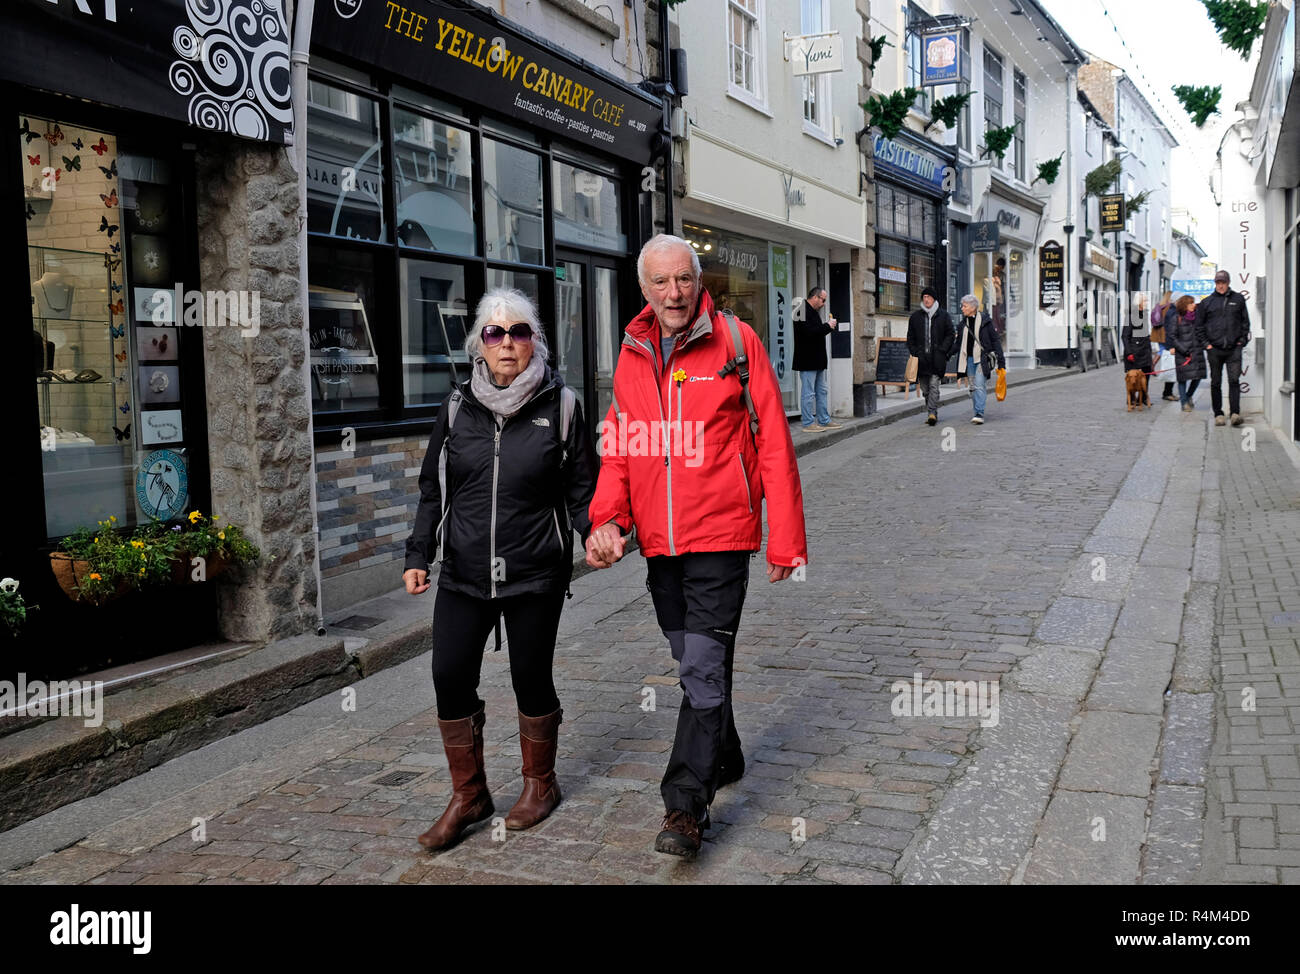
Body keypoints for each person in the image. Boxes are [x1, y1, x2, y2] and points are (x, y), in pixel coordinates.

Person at [584, 234, 808, 860]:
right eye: (661, 282)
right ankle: (725, 752)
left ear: (697, 279)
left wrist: (784, 538)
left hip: (720, 537)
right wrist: (609, 520)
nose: (674, 293)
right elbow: (622, 446)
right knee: (695, 664)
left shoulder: (736, 342)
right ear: (644, 288)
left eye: (683, 279)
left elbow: (773, 445)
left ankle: (685, 805)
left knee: (702, 669)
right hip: (661, 546)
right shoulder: (631, 353)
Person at [403, 287, 597, 851]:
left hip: (535, 570)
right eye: (495, 333)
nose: (507, 343)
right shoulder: (457, 407)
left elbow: (584, 486)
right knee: (448, 675)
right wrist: (419, 554)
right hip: (463, 570)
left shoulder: (561, 406)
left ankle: (541, 784)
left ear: (533, 340)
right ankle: (470, 795)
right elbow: (432, 489)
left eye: (518, 332)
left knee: (530, 678)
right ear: (479, 346)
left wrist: (599, 529)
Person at [1194, 269, 1252, 427]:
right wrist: (1207, 345)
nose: (1220, 286)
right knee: (1216, 382)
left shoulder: (1238, 299)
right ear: (1215, 283)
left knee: (1234, 380)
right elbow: (1199, 327)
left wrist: (1241, 342)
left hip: (1234, 349)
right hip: (1215, 350)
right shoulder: (1207, 303)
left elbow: (1245, 323)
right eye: (1218, 283)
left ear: (1228, 283)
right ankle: (1218, 414)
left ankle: (1234, 413)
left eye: (1223, 283)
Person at [792, 286, 840, 432]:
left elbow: (815, 333)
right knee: (808, 393)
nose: (824, 303)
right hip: (807, 359)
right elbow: (809, 333)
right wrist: (828, 326)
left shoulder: (812, 311)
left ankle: (824, 420)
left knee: (821, 391)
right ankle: (808, 423)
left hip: (817, 359)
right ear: (815, 297)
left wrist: (826, 327)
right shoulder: (801, 310)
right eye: (823, 300)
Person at [906, 287, 955, 426]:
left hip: (937, 358)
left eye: (929, 297)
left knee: (934, 386)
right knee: (925, 389)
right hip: (921, 359)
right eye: (924, 297)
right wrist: (915, 352)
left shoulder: (943, 316)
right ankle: (931, 409)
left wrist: (943, 350)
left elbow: (950, 334)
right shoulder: (915, 317)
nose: (926, 299)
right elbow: (910, 338)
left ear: (934, 299)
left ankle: (932, 413)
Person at [954, 294, 1005, 425]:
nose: (962, 308)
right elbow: (958, 344)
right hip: (968, 359)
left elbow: (995, 340)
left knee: (979, 384)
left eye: (964, 306)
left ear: (972, 307)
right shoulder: (962, 324)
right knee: (972, 387)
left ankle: (979, 413)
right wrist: (945, 354)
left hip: (982, 358)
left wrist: (1001, 361)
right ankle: (977, 410)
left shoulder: (985, 321)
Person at [1166, 294, 1205, 412]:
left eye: (1193, 303)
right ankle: (1184, 403)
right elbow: (1172, 336)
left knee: (1198, 376)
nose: (1194, 305)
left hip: (1197, 351)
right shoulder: (1176, 318)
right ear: (1185, 305)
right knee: (1182, 379)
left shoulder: (1198, 318)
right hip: (1182, 353)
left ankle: (1188, 396)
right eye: (1191, 303)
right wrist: (1182, 349)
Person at [1122, 299, 1154, 398]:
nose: (1146, 303)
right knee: (1132, 377)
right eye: (1144, 301)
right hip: (1135, 351)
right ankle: (1131, 399)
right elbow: (1125, 336)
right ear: (1138, 303)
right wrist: (1129, 352)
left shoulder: (1144, 315)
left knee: (1146, 374)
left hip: (1145, 350)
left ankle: (1144, 397)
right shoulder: (1131, 316)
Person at [1149, 290, 1177, 401]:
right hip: (1165, 336)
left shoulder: (1160, 305)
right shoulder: (1169, 308)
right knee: (1167, 359)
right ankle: (1167, 392)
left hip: (1159, 334)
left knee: (1161, 351)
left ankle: (1153, 364)